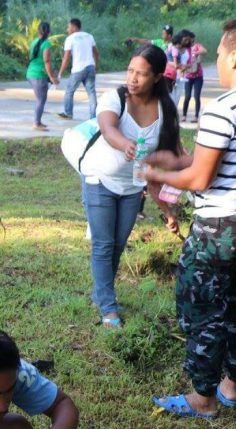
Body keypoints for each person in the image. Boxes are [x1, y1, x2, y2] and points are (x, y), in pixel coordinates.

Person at [144, 15, 236, 418]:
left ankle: (202, 398)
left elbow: (201, 177)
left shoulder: (223, 107)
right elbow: (229, 160)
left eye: (220, 53)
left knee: (201, 307)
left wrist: (159, 173)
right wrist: (181, 160)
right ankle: (231, 386)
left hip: (218, 228)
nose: (216, 59)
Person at [84, 45, 181, 329]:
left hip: (131, 187)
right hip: (99, 179)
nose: (133, 78)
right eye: (130, 71)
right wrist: (124, 143)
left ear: (157, 77)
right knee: (103, 245)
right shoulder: (115, 97)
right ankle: (108, 307)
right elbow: (107, 127)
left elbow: (169, 162)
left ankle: (102, 294)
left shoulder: (165, 110)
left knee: (116, 245)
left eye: (141, 73)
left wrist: (168, 209)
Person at [57, 18, 98, 120]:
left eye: (69, 27)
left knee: (69, 91)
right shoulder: (89, 36)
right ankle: (93, 116)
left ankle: (68, 113)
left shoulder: (70, 39)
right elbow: (96, 53)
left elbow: (66, 58)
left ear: (74, 27)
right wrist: (95, 65)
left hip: (78, 69)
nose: (67, 29)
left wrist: (60, 73)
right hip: (90, 67)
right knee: (91, 92)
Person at [25, 21, 58, 130]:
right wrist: (52, 77)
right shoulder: (46, 44)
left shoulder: (34, 42)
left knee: (40, 99)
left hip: (30, 73)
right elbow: (47, 61)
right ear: (49, 32)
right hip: (39, 75)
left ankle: (38, 121)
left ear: (38, 31)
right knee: (41, 100)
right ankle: (36, 123)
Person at [128, 24, 176, 94]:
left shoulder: (173, 46)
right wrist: (136, 39)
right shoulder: (159, 42)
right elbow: (147, 41)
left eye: (164, 33)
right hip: (158, 69)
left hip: (168, 73)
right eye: (162, 33)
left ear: (169, 36)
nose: (162, 35)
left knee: (166, 92)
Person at [178, 30, 205, 123]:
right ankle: (184, 115)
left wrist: (196, 53)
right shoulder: (184, 49)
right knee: (187, 96)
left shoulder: (197, 46)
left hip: (198, 76)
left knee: (196, 96)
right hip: (188, 76)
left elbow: (204, 50)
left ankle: (196, 117)